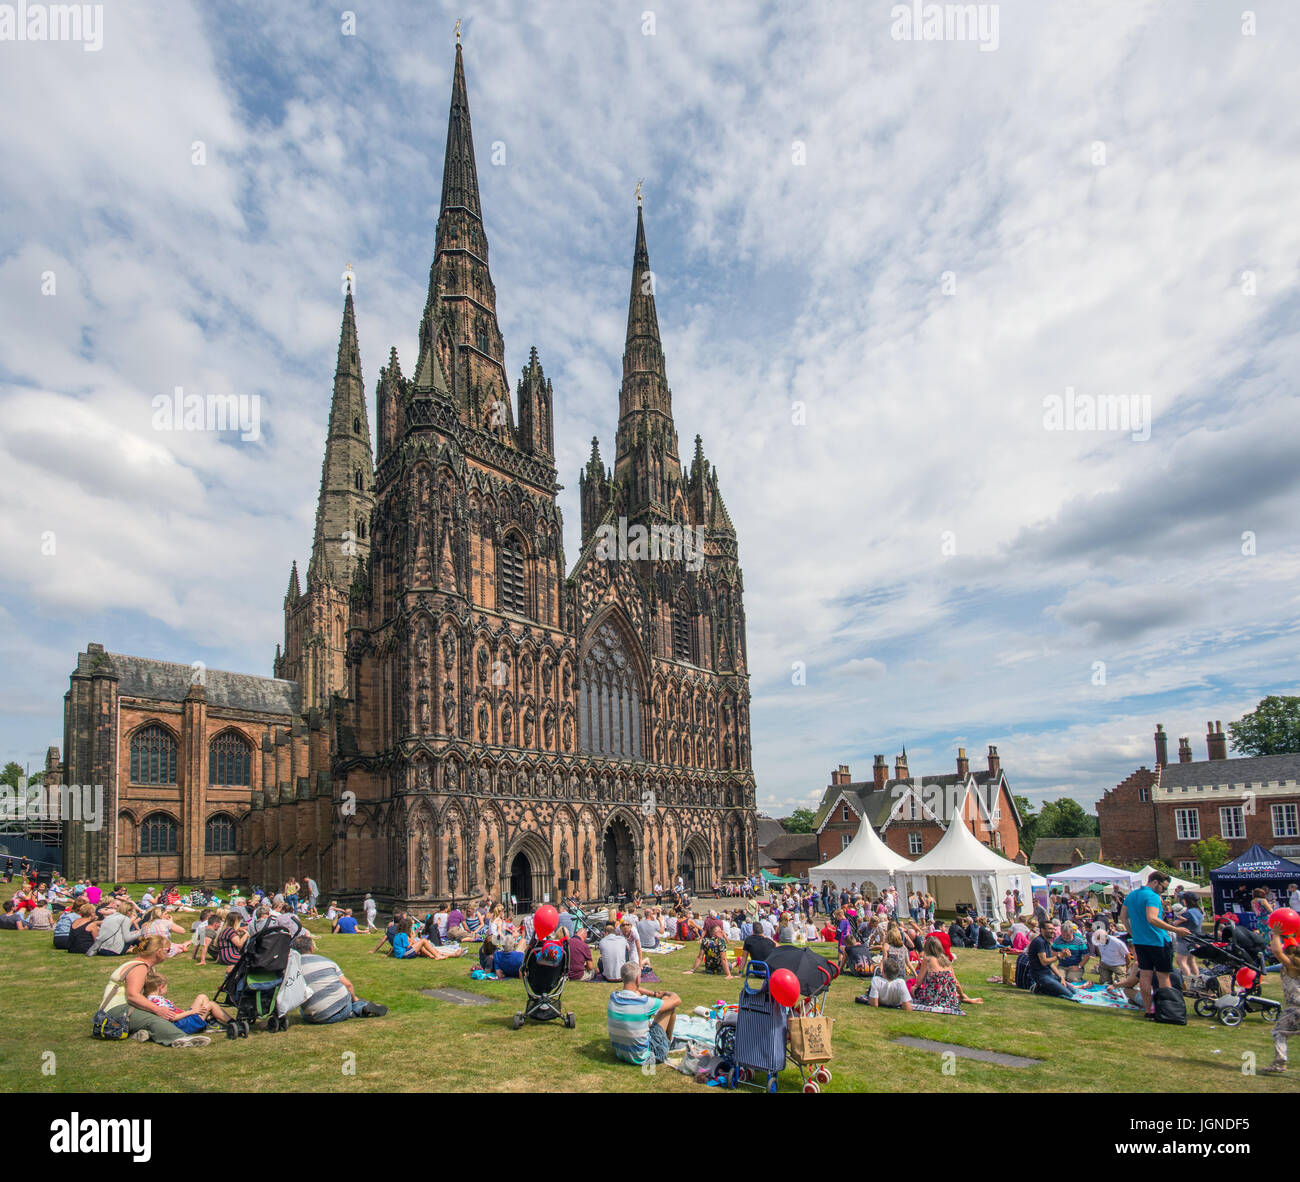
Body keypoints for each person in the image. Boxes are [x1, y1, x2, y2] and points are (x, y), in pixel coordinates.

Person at [96, 935, 212, 1047]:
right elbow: (132, 996)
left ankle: (141, 1033)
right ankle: (179, 1038)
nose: (169, 953)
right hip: (117, 1010)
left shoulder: (146, 967)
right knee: (153, 1019)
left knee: (160, 1015)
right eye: (168, 950)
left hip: (129, 1007)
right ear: (159, 952)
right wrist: (158, 1009)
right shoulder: (139, 967)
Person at [1120, 871, 1180, 1017]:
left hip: (1140, 942)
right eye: (1163, 888)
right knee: (1163, 977)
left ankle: (1149, 1010)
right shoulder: (1153, 896)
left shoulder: (1132, 895)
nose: (1164, 891)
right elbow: (1152, 918)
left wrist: (1134, 933)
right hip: (1158, 941)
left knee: (1145, 977)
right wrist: (1176, 929)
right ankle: (1167, 1011)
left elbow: (1123, 917)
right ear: (1155, 882)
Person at [292, 932, 389, 1023]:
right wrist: (355, 999)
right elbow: (348, 984)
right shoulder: (327, 961)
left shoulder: (292, 968)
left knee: (302, 1010)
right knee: (349, 1003)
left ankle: (359, 1007)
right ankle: (360, 1007)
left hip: (313, 1016)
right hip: (336, 1011)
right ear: (312, 948)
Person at [607, 960, 681, 1067]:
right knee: (669, 1006)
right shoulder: (644, 1003)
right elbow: (677, 1000)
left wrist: (654, 994)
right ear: (638, 979)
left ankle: (666, 1041)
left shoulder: (614, 997)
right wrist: (666, 993)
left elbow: (634, 989)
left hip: (621, 1054)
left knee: (646, 1015)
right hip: (646, 1057)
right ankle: (668, 1043)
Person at [911, 935, 982, 1010]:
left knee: (913, 989)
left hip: (933, 998)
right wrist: (962, 995)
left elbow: (918, 982)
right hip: (949, 998)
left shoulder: (928, 959)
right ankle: (961, 998)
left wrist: (917, 986)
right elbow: (956, 983)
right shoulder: (946, 961)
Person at [1263, 932, 1300, 1073]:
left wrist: (1277, 934)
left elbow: (1277, 951)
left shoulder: (1291, 965)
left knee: (1279, 1032)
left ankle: (1280, 1063)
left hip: (1295, 1007)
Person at [1025, 920, 1074, 999]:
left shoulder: (1046, 942)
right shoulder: (1039, 942)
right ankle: (1040, 988)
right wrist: (1060, 955)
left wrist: (1061, 977)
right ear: (1042, 930)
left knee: (1073, 991)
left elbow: (1050, 963)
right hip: (1041, 976)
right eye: (1050, 929)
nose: (1053, 931)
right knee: (1068, 995)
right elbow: (1044, 962)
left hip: (1049, 974)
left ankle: (1042, 988)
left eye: (1053, 929)